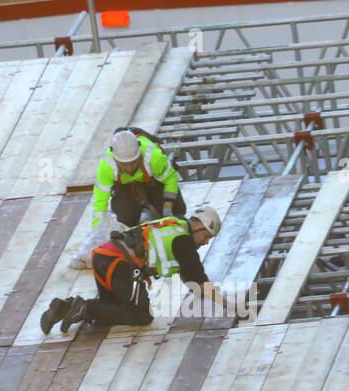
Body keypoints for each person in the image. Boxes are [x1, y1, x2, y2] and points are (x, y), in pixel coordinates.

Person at [40, 206, 224, 335]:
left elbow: (190, 279)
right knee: (141, 315)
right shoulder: (184, 242)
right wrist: (230, 306)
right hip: (119, 263)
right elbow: (198, 280)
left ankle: (63, 308)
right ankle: (83, 308)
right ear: (198, 225)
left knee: (111, 309)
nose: (205, 242)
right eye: (206, 236)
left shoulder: (174, 225)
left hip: (103, 256)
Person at [92, 128, 185, 229]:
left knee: (177, 212)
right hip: (126, 188)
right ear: (115, 159)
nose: (130, 168)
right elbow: (100, 203)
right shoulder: (106, 166)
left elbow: (170, 179)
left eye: (133, 162)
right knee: (126, 219)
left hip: (153, 182)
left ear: (140, 154)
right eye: (124, 164)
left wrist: (168, 208)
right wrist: (97, 230)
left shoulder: (154, 157)